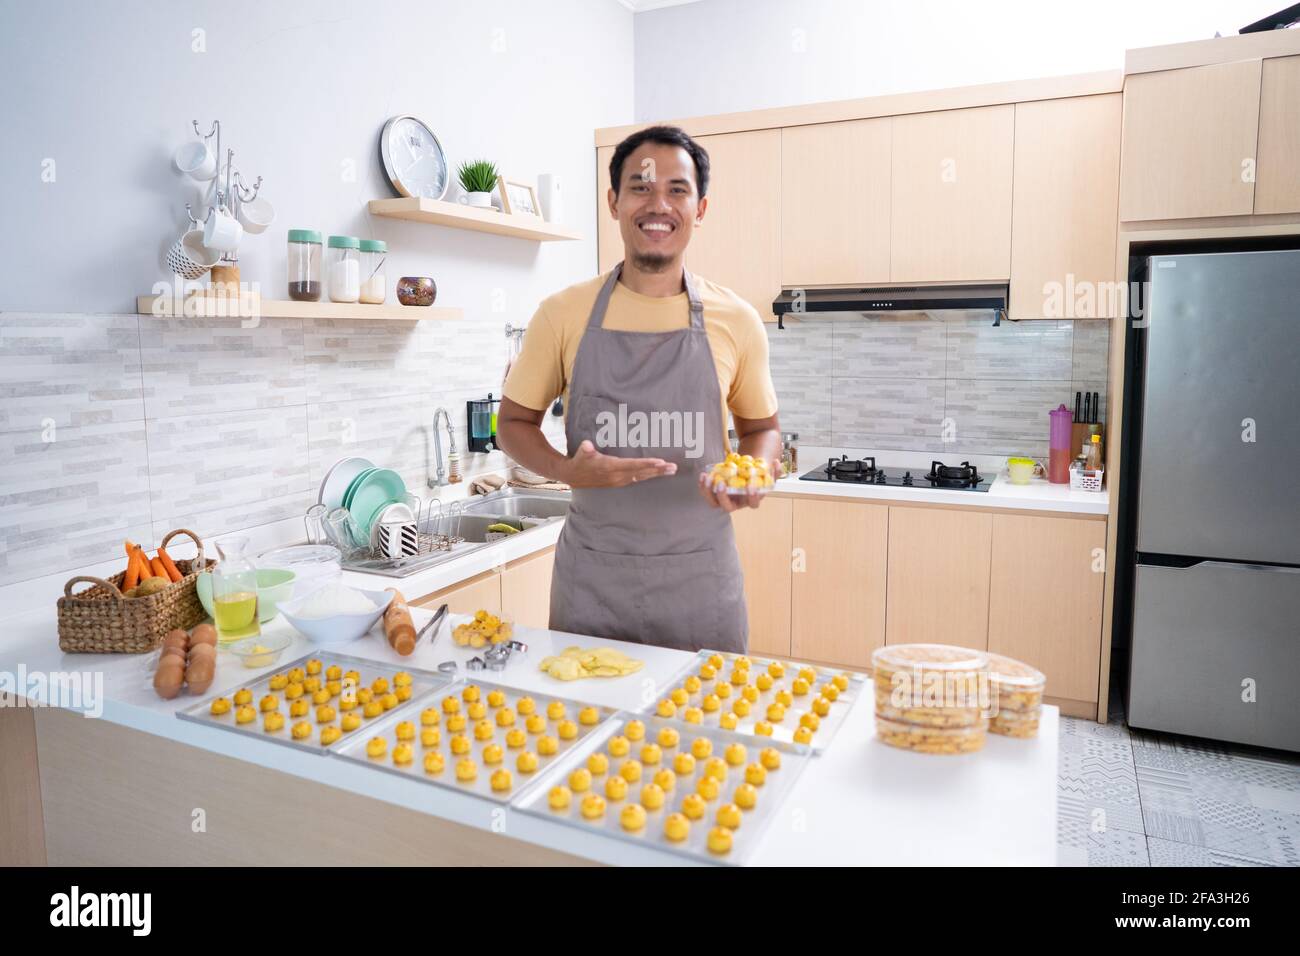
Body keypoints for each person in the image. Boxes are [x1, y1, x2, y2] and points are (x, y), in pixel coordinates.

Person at [496, 125, 780, 652]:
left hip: (702, 586)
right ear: (614, 201)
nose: (658, 205)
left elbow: (762, 429)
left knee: (703, 731)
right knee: (588, 727)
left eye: (677, 189)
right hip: (593, 587)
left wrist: (757, 470)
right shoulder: (561, 314)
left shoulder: (737, 320)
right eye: (640, 187)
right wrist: (563, 469)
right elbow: (510, 424)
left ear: (701, 208)